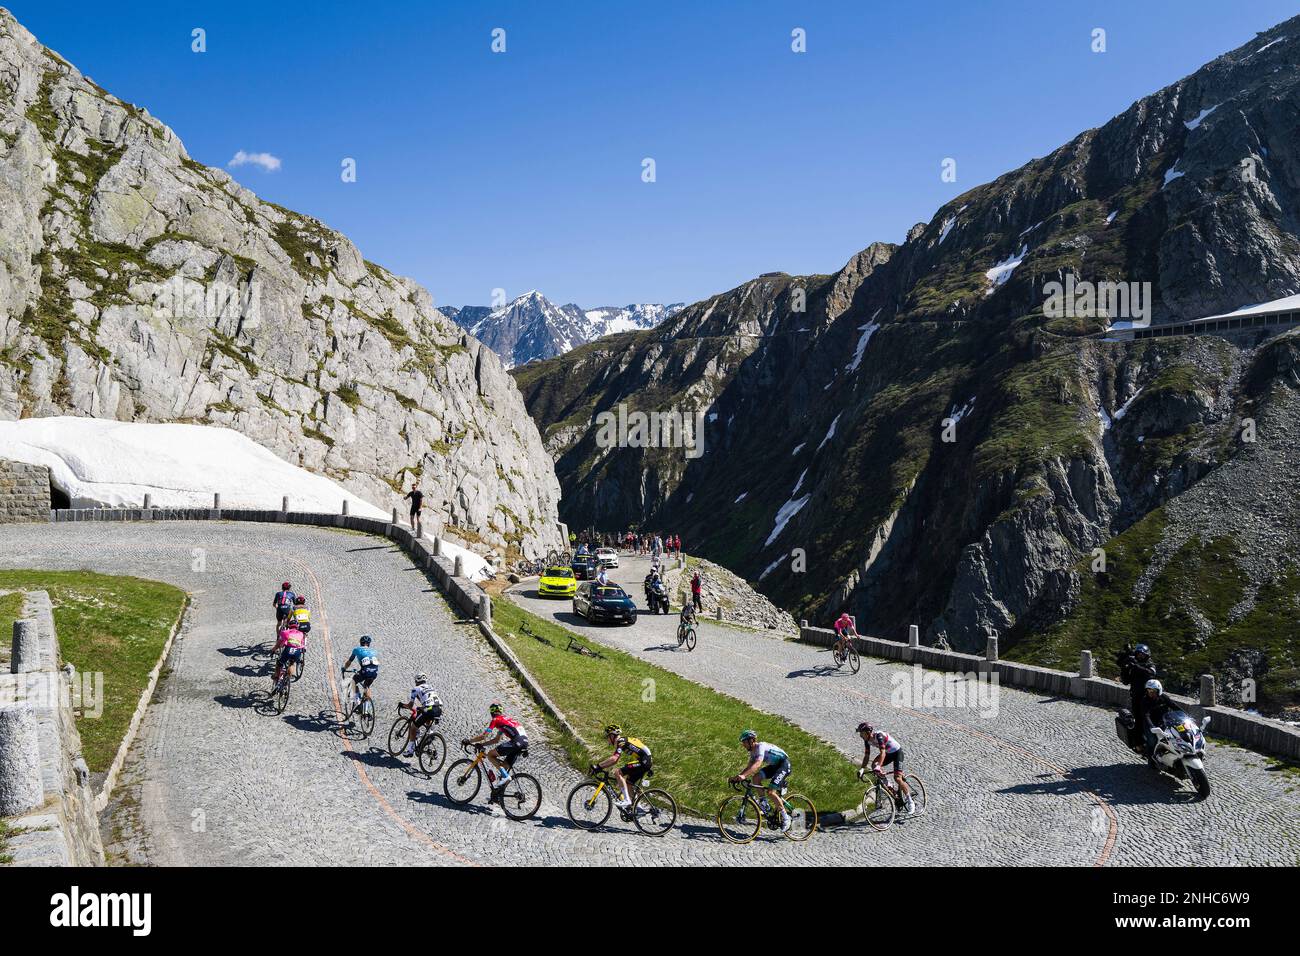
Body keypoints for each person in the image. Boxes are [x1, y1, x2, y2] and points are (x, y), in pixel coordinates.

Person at [731, 730, 792, 832]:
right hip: (774, 766)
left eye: (744, 742)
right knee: (756, 778)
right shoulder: (753, 752)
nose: (743, 745)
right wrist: (738, 776)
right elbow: (749, 767)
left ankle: (786, 818)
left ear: (751, 741)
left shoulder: (760, 747)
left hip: (783, 765)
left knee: (771, 792)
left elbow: (758, 764)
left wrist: (743, 776)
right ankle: (764, 803)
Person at [462, 703, 529, 792]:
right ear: (500, 711)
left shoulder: (495, 720)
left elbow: (483, 736)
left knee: (490, 755)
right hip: (524, 742)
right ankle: (499, 795)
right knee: (504, 766)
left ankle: (506, 777)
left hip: (516, 741)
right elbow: (496, 740)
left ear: (491, 712)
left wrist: (469, 741)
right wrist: (482, 745)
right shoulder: (505, 721)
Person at [857, 722, 915, 814]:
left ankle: (910, 801)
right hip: (888, 754)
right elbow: (867, 755)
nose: (860, 735)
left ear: (868, 732)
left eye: (862, 733)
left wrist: (879, 766)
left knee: (897, 778)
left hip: (897, 753)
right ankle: (889, 785)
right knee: (873, 765)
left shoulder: (879, 736)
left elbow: (882, 753)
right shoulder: (867, 740)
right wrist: (862, 769)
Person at [591, 724, 652, 810]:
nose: (607, 740)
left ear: (612, 735)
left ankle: (627, 800)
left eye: (607, 737)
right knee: (628, 783)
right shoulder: (623, 741)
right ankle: (638, 809)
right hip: (645, 761)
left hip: (644, 762)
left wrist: (598, 766)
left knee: (617, 772)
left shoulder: (621, 741)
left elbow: (615, 759)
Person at [1117, 643, 1157, 741]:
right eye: (1138, 654)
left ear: (1147, 655)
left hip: (1149, 696)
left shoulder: (1149, 663)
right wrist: (1124, 668)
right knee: (1138, 720)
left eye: (1142, 655)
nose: (1140, 656)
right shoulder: (1132, 664)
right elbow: (1126, 681)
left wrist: (1136, 666)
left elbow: (1151, 673)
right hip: (1136, 696)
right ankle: (1139, 743)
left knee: (1154, 717)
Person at [400, 673, 443, 757]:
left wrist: (402, 705)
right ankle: (429, 738)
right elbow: (425, 700)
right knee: (427, 721)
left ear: (417, 681)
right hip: (438, 709)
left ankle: (410, 750)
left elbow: (410, 705)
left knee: (413, 728)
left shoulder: (416, 689)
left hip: (429, 709)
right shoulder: (431, 687)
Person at [1141, 679, 1183, 759]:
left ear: (1158, 690)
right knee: (1152, 741)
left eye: (1153, 691)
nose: (1150, 693)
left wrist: (1186, 715)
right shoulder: (1145, 700)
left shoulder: (1164, 697)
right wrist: (1152, 726)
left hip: (1165, 722)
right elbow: (1146, 715)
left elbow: (1174, 706)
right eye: (1149, 691)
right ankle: (1151, 759)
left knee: (1176, 736)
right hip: (1151, 724)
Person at [340, 635, 379, 707]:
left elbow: (349, 662)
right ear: (369, 643)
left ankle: (358, 702)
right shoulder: (374, 651)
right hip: (374, 672)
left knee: (353, 682)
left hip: (365, 671)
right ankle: (367, 707)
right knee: (366, 687)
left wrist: (344, 668)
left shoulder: (356, 649)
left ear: (360, 643)